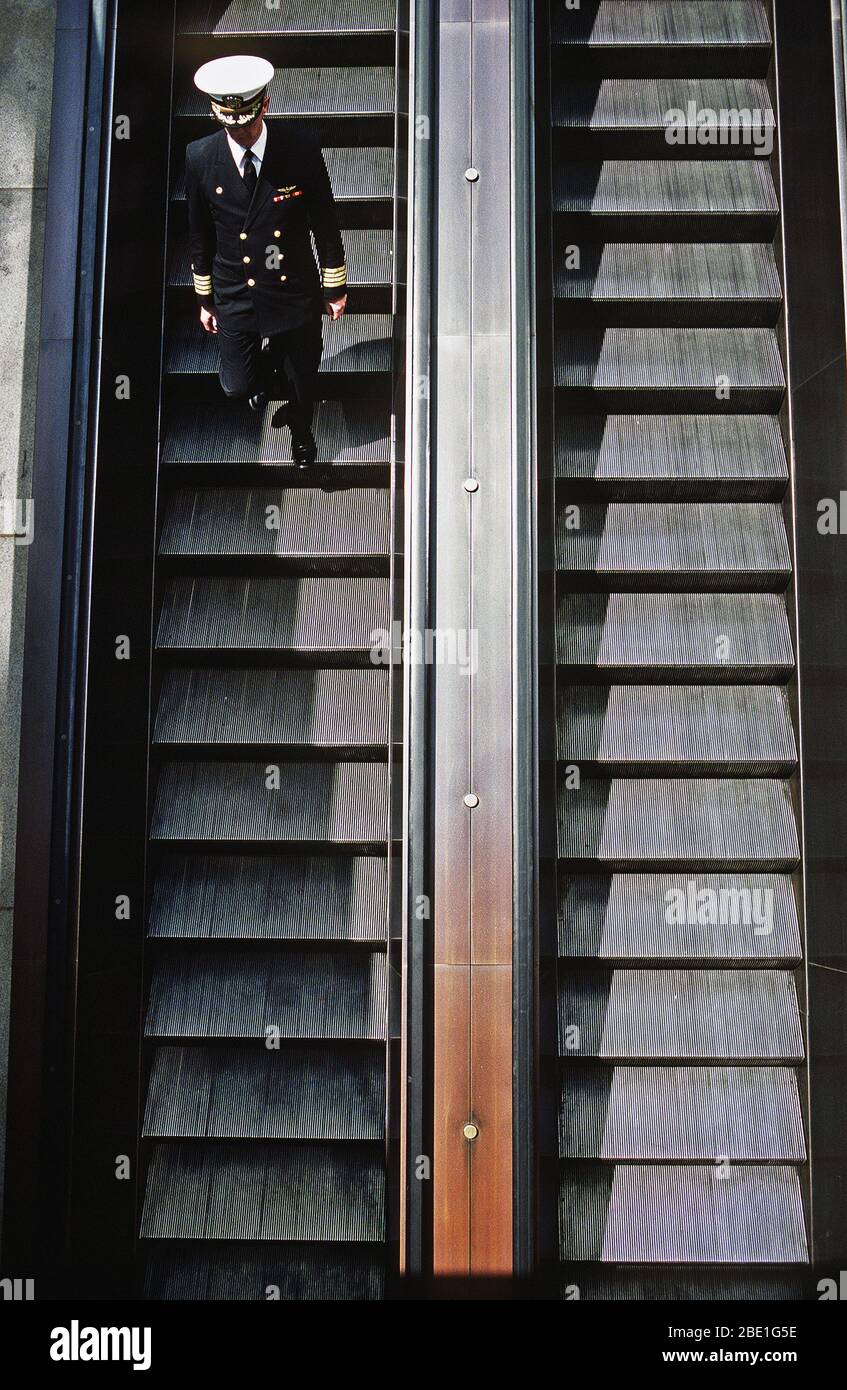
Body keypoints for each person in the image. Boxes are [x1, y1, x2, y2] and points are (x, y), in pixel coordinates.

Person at [186, 54, 348, 468]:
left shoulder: (300, 149)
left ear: (265, 106)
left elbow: (324, 221)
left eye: (246, 122)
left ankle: (301, 430)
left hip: (292, 287)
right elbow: (199, 232)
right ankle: (266, 365)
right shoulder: (201, 157)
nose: (239, 132)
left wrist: (334, 286)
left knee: (302, 376)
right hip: (236, 290)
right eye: (230, 124)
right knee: (237, 387)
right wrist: (206, 299)